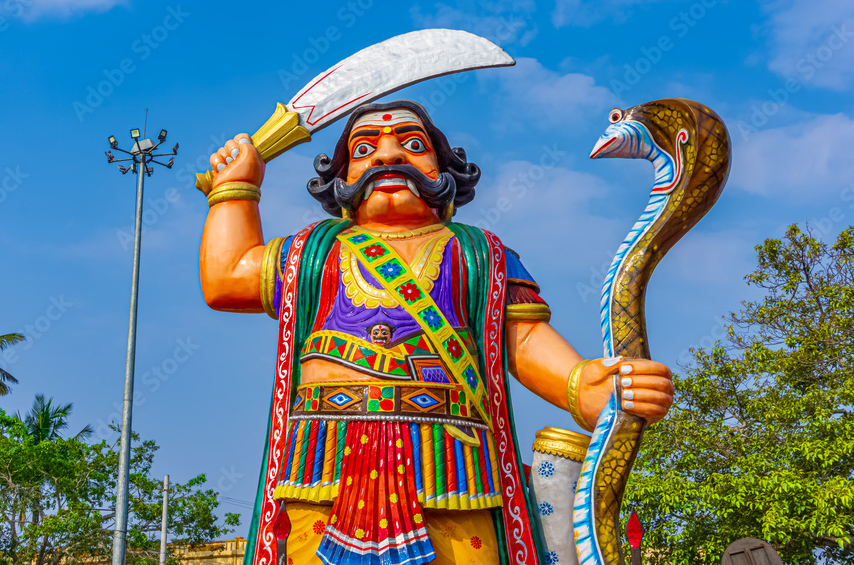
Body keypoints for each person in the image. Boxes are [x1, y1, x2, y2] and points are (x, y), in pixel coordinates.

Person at [200, 100, 674, 565]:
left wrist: (581, 383)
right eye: (364, 149)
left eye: (411, 143)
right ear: (340, 179)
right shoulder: (312, 253)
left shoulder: (480, 255)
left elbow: (524, 341)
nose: (387, 156)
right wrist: (236, 188)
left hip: (452, 465)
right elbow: (226, 279)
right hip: (327, 463)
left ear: (445, 171)